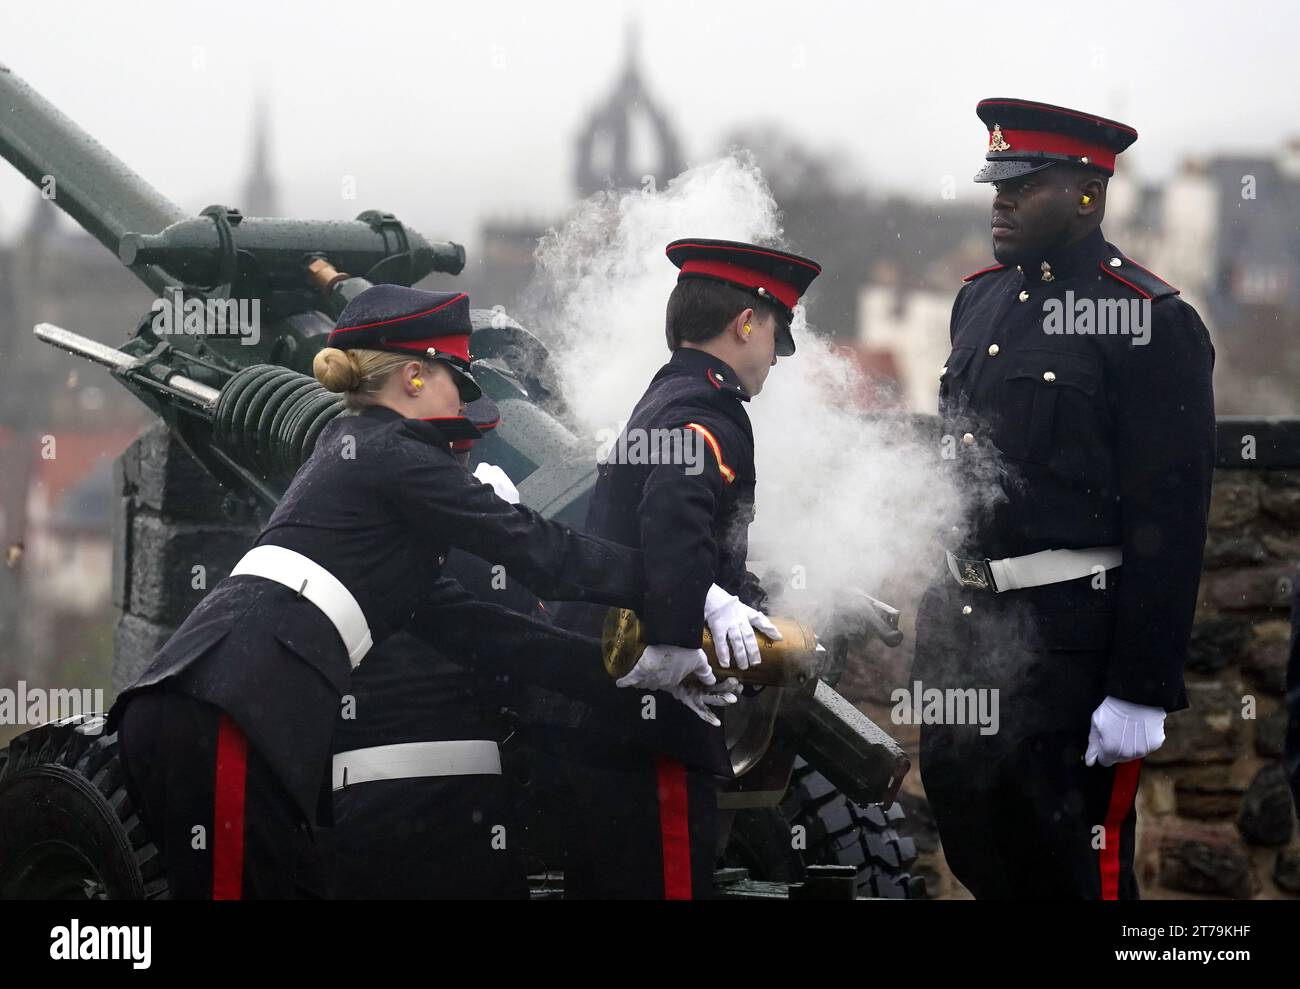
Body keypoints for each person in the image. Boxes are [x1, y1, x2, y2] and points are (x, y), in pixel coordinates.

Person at [109, 284, 739, 899]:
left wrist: (630, 673)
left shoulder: (359, 460)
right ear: (414, 377)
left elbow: (482, 633)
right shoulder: (395, 451)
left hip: (217, 708)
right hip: (229, 707)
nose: (463, 402)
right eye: (457, 381)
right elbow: (540, 551)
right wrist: (685, 589)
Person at [912, 98, 1216, 898]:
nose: (999, 200)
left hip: (1070, 651)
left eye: (1024, 184)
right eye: (995, 183)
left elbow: (1172, 517)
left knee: (1073, 877)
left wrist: (1141, 685)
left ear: (1088, 192)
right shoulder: (977, 299)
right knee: (981, 854)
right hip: (969, 635)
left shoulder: (1150, 320)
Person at [546, 238, 823, 899]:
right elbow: (674, 516)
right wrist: (675, 640)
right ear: (746, 323)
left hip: (599, 718)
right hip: (652, 721)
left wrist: (737, 600)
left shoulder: (664, 394)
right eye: (774, 336)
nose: (773, 363)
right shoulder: (707, 409)